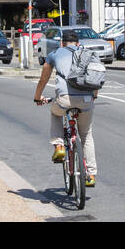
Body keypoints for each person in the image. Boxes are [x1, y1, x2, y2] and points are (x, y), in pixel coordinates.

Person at [33, 28, 97, 187]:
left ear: (62, 43)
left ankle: (59, 145)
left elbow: (44, 78)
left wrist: (37, 97)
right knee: (86, 135)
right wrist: (94, 95)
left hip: (64, 99)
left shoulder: (55, 54)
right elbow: (96, 76)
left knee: (55, 113)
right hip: (86, 100)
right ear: (78, 43)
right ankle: (91, 174)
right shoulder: (88, 54)